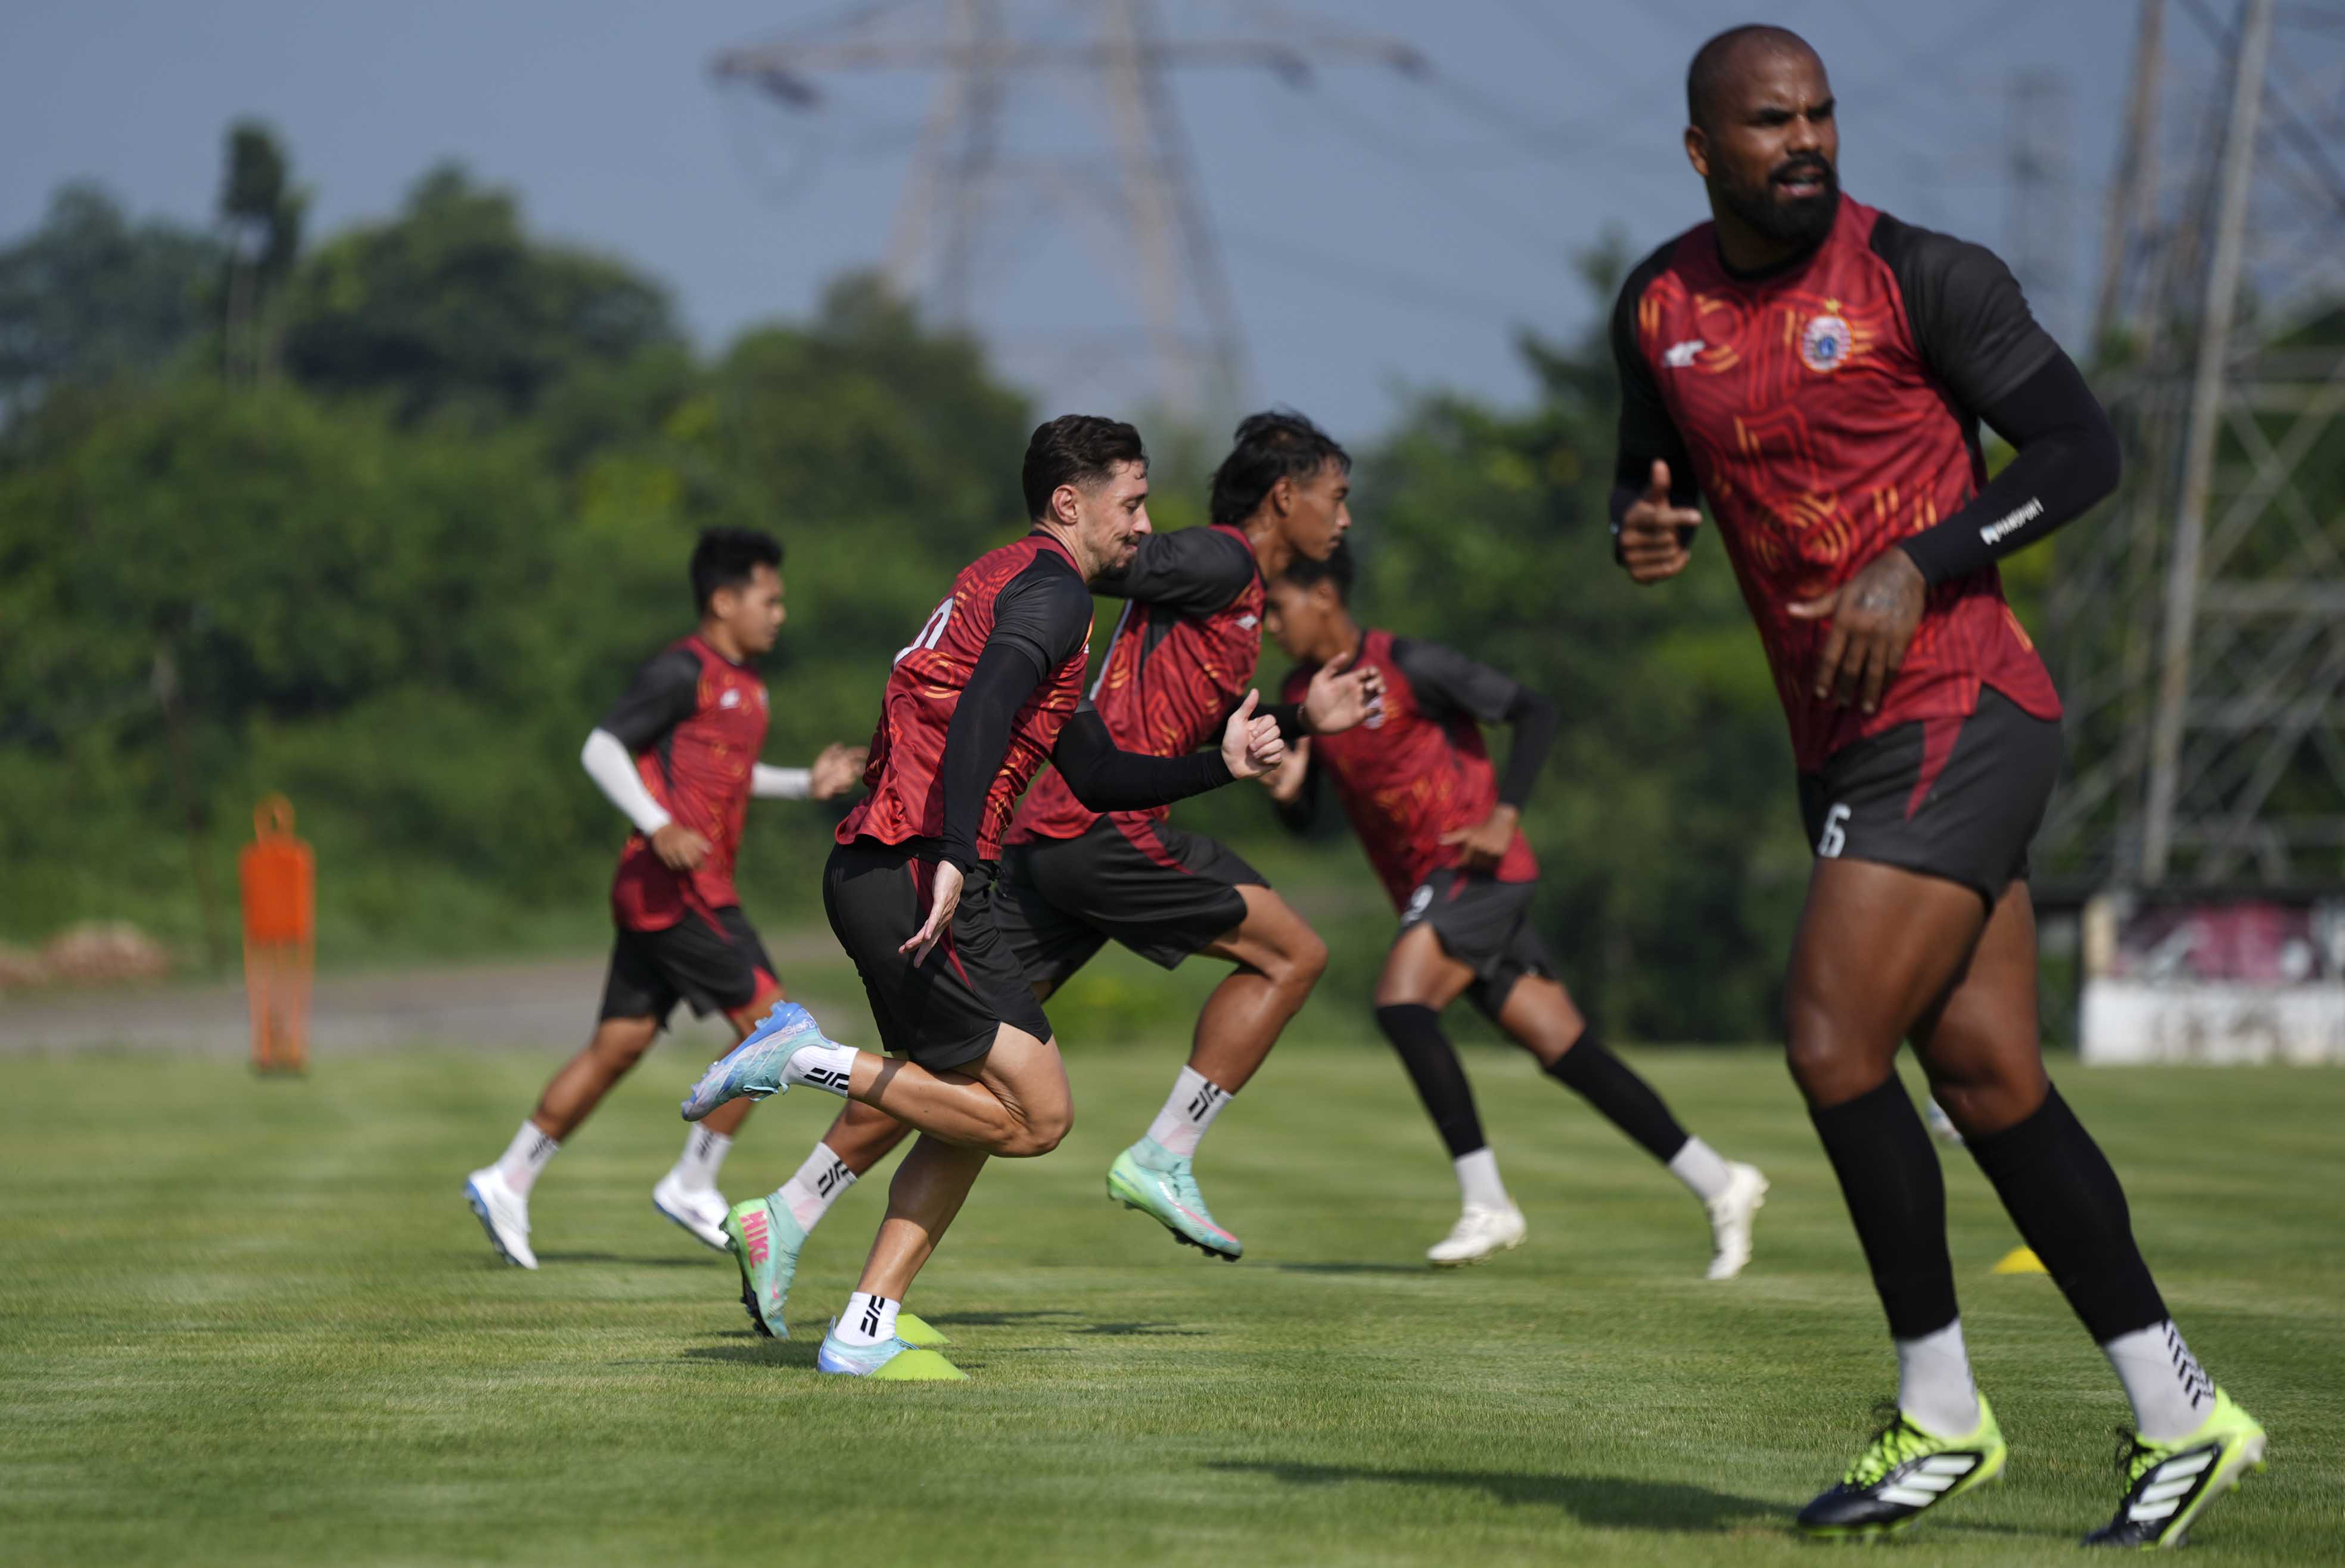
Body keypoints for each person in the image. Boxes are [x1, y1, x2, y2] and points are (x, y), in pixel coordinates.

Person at [1610, 24, 2265, 1545]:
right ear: (1704, 152)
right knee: (1987, 1083)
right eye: (1770, 122)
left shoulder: (1924, 275)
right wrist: (1646, 537)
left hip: (1962, 707)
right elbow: (1652, 480)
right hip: (1839, 740)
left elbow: (2081, 447)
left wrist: (1926, 554)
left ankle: (1941, 1416)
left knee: (1833, 1046)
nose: (1806, 140)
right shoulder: (1657, 303)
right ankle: (2186, 1416)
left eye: (1820, 113)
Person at [679, 415, 1288, 1380]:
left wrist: (1224, 761)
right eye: (1130, 502)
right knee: (1038, 1119)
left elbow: (1089, 771)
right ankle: (807, 1055)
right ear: (1067, 502)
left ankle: (862, 1318)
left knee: (973, 1103)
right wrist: (962, 851)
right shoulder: (1049, 594)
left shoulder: (1013, 580)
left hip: (893, 867)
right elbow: (983, 706)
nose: (1143, 526)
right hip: (923, 870)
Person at [1258, 545, 1765, 1273]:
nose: (1270, 622)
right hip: (1438, 896)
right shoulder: (1304, 690)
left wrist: (1506, 813)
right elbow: (1307, 816)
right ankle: (1721, 1182)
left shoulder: (1414, 665)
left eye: (1279, 606)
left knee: (1403, 1005)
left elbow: (1536, 710)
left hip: (1478, 873)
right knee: (1567, 1050)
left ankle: (1487, 1201)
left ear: (1326, 598)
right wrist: (1287, 793)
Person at [464, 527, 864, 1270]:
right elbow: (601, 747)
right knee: (777, 1032)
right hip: (683, 890)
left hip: (665, 895)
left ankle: (509, 1177)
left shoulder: (749, 688)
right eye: (769, 598)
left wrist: (802, 785)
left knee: (617, 1046)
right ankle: (693, 1179)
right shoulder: (684, 670)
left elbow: (728, 778)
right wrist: (658, 826)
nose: (781, 613)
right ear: (723, 600)